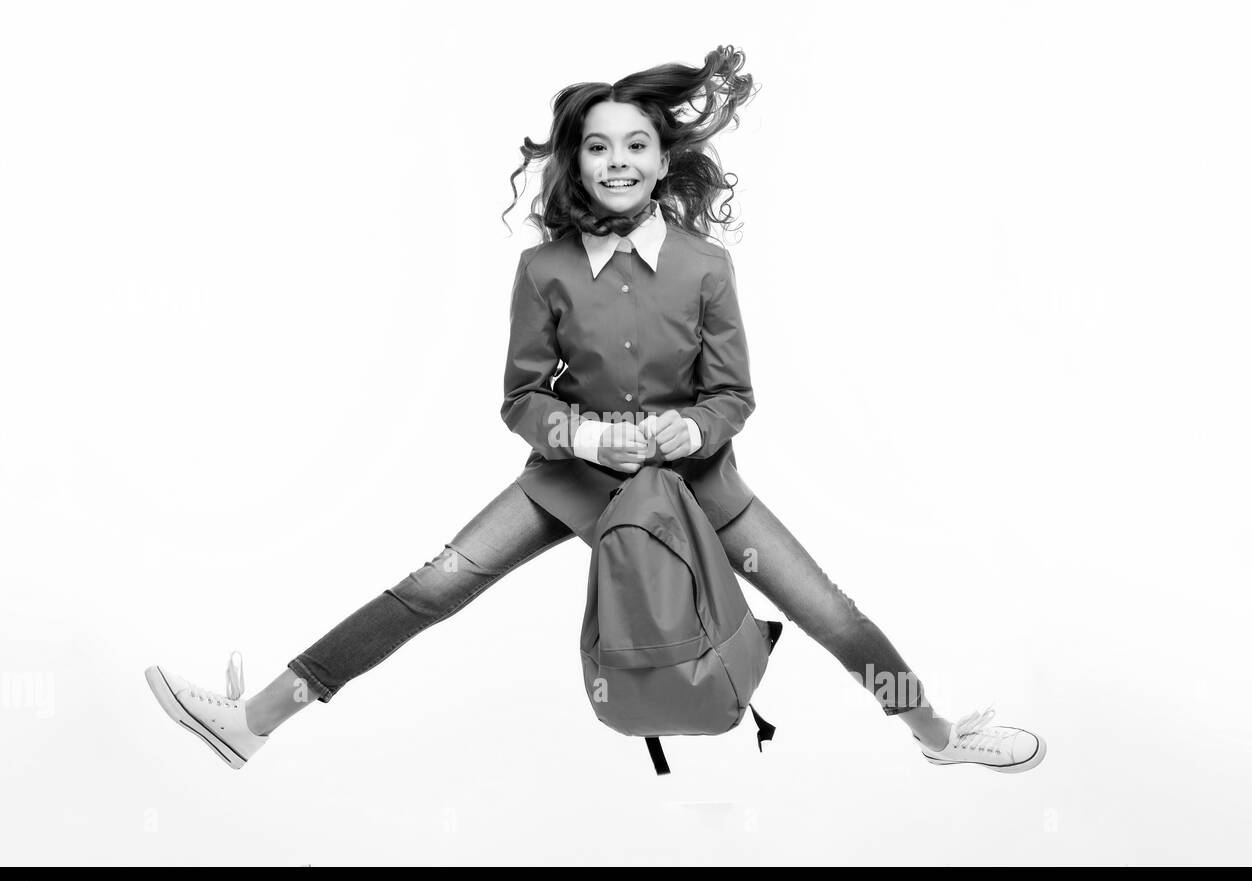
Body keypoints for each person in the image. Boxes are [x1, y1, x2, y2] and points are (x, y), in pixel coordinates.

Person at [145, 45, 1046, 774]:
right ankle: (255, 720)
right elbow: (520, 396)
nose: (618, 162)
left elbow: (735, 394)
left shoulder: (706, 267)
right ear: (577, 159)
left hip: (700, 493)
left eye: (636, 146)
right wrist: (575, 432)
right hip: (570, 485)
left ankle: (937, 734)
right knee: (431, 587)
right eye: (599, 146)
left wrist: (693, 428)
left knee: (833, 615)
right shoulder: (542, 269)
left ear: (664, 160)